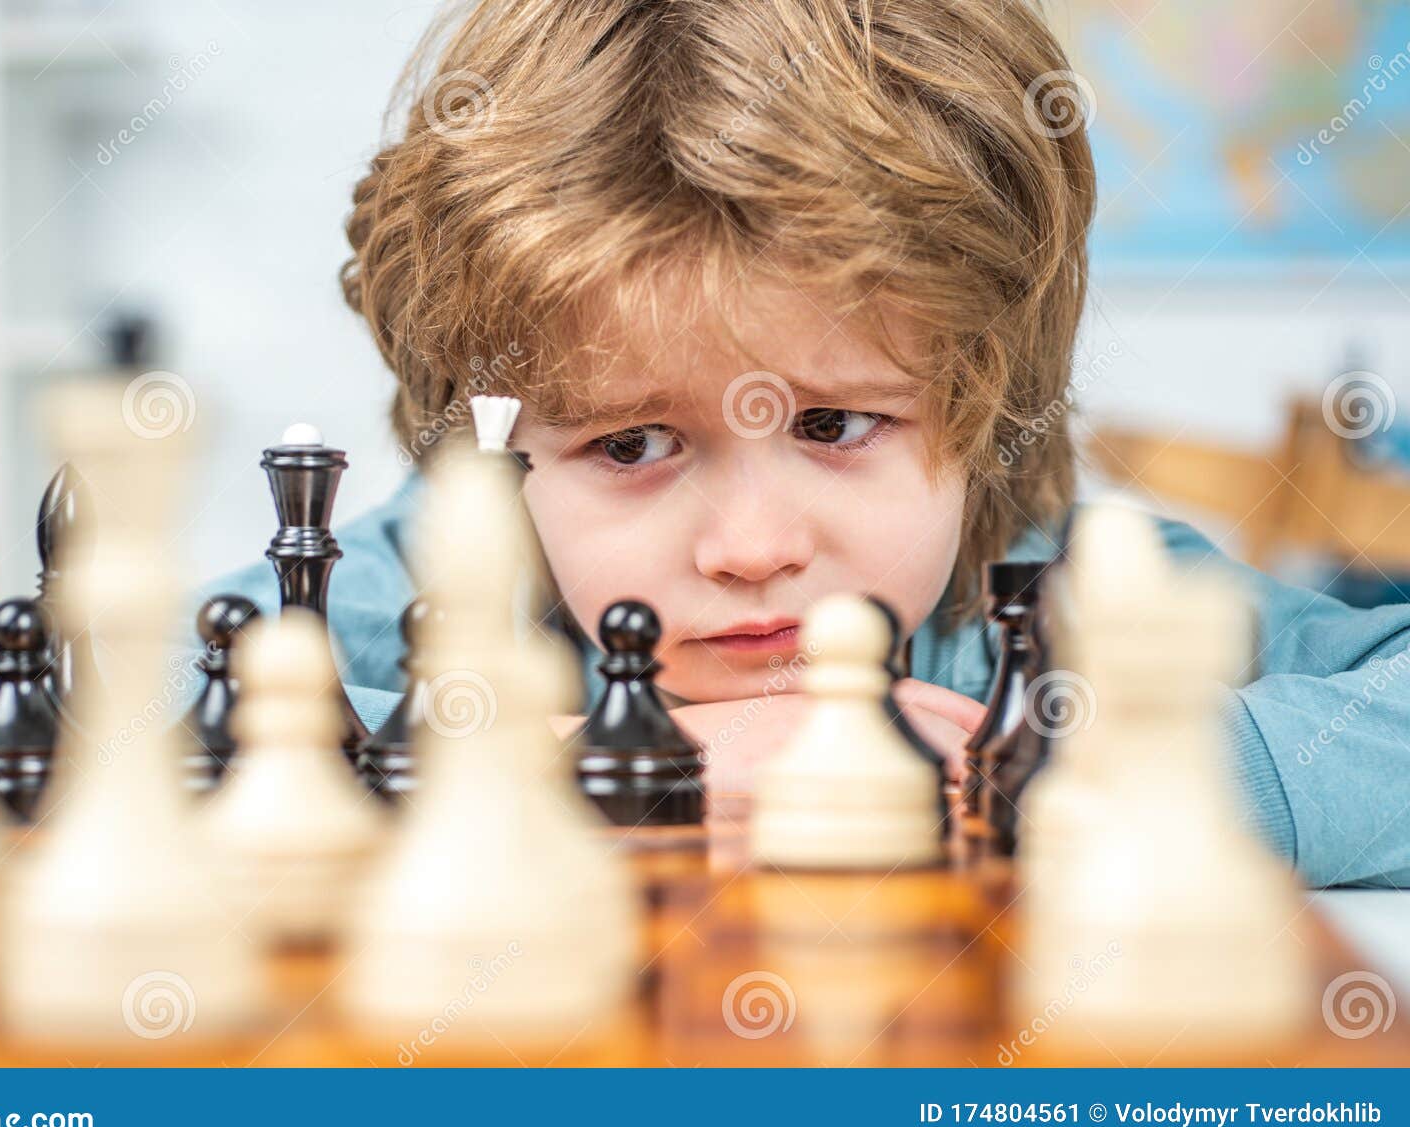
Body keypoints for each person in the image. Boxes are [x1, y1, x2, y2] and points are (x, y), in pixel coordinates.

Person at [199, 0, 1410, 888]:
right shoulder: (451, 574)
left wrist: (1152, 770)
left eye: (834, 425)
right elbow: (105, 680)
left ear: (984, 402)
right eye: (630, 446)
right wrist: (534, 758)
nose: (753, 547)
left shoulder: (1073, 597)